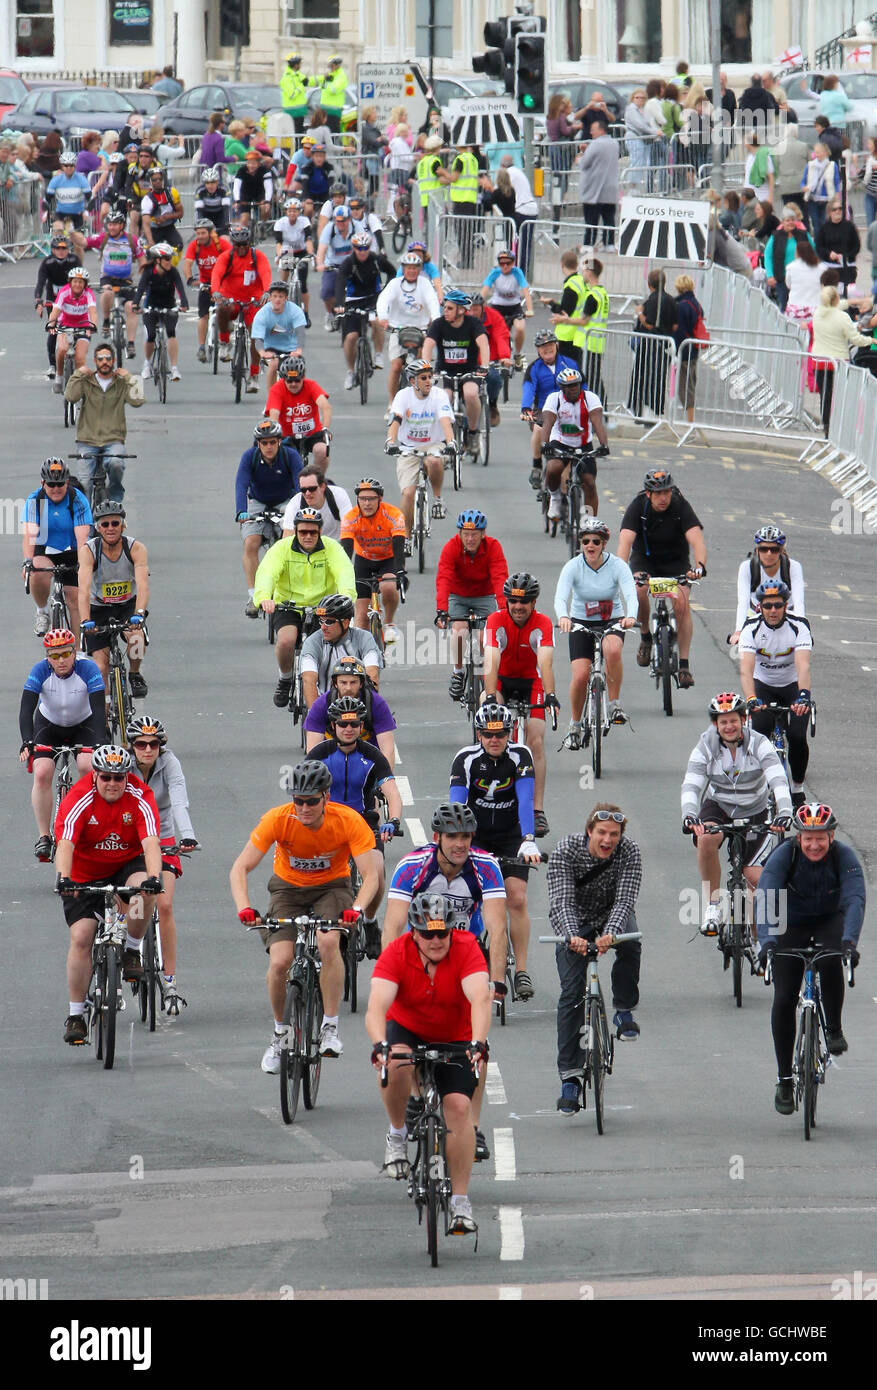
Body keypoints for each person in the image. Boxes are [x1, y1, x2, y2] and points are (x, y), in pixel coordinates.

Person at [231, 758, 377, 1070]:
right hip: (288, 889)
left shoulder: (347, 820)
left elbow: (371, 875)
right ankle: (280, 1034)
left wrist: (356, 909)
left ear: (326, 796)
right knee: (280, 961)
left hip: (332, 887)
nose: (304, 808)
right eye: (298, 801)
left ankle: (330, 1027)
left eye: (311, 801)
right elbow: (240, 868)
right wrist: (244, 907)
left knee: (327, 943)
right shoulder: (278, 819)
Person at [366, 892, 490, 1234]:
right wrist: (380, 1044)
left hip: (455, 1033)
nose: (436, 941)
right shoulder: (396, 952)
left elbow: (480, 996)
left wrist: (478, 1042)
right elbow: (376, 1006)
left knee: (459, 1110)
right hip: (408, 1026)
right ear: (414, 932)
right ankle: (397, 1133)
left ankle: (461, 1202)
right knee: (395, 1064)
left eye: (443, 933)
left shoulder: (466, 947)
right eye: (428, 934)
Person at [757, 803, 865, 1115]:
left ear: (831, 837)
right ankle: (785, 1079)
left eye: (821, 838)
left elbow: (855, 899)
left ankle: (832, 1028)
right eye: (808, 838)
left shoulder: (844, 857)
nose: (814, 845)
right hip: (790, 925)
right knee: (784, 997)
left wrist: (849, 942)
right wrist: (767, 943)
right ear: (799, 837)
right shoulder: (784, 856)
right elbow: (766, 895)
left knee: (832, 959)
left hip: (829, 921)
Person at [54, 745, 163, 1046]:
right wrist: (64, 878)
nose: (113, 783)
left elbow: (151, 841)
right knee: (81, 937)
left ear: (127, 777)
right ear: (95, 776)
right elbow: (65, 844)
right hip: (84, 870)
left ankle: (131, 948)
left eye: (119, 777)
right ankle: (76, 1015)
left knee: (142, 894)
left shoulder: (140, 795)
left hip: (127, 863)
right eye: (105, 778)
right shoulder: (79, 797)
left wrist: (154, 878)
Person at [548, 803, 643, 1114]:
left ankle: (623, 1009)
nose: (607, 840)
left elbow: (626, 899)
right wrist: (573, 936)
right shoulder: (566, 850)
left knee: (631, 944)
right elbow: (561, 900)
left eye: (614, 834)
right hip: (574, 920)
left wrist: (611, 934)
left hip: (610, 915)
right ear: (589, 831)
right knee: (572, 994)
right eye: (602, 833)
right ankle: (570, 1078)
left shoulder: (629, 852)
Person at [682, 691, 793, 943]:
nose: (729, 726)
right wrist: (689, 814)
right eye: (723, 722)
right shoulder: (706, 745)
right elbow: (692, 784)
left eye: (733, 720)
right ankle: (712, 905)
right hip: (718, 805)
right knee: (706, 839)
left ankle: (758, 942)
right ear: (715, 724)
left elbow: (777, 778)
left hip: (755, 810)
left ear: (743, 719)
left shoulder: (759, 743)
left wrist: (785, 811)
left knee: (756, 879)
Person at [448, 701, 541, 994]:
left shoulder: (521, 755)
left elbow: (526, 801)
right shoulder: (465, 759)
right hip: (475, 835)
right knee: (468, 896)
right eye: (488, 735)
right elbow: (456, 808)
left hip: (511, 834)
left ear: (510, 731)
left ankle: (522, 970)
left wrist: (528, 840)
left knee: (516, 897)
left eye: (500, 734)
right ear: (478, 735)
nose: (494, 740)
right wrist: (454, 845)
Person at [306, 696, 402, 951]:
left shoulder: (372, 756)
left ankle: (369, 922)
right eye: (342, 724)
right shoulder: (319, 754)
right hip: (327, 824)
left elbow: (391, 791)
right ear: (333, 726)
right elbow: (302, 790)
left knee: (378, 873)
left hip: (364, 824)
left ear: (362, 727)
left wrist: (393, 820)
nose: (348, 729)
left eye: (354, 724)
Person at [127, 714, 198, 1012]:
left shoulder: (170, 763)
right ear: (131, 746)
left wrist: (188, 835)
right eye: (141, 744)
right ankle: (129, 948)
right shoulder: (122, 767)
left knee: (165, 905)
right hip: (129, 842)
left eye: (154, 744)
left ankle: (170, 982)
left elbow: (179, 800)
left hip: (164, 838)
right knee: (135, 898)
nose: (147, 749)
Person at [482, 573, 559, 839]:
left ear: (534, 602)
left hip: (532, 682)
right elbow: (491, 659)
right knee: (487, 710)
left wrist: (550, 694)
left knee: (535, 740)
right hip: (501, 679)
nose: (518, 607)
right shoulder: (495, 620)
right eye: (513, 601)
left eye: (524, 601)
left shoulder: (543, 623)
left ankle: (537, 810)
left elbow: (546, 662)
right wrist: (491, 695)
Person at [253, 513, 356, 708]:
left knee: (328, 648)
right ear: (295, 531)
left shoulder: (331, 547)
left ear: (320, 532)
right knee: (286, 641)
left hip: (323, 607)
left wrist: (346, 598)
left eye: (313, 532)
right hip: (287, 605)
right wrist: (264, 597)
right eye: (303, 532)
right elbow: (267, 572)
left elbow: (344, 572)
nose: (307, 536)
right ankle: (285, 678)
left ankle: (325, 685)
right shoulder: (282, 548)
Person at [616, 469, 706, 686]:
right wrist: (621, 571)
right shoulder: (638, 506)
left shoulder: (680, 505)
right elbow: (625, 542)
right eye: (658, 493)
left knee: (681, 603)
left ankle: (684, 664)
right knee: (638, 591)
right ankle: (646, 636)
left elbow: (696, 539)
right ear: (648, 494)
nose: (663, 498)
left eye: (666, 492)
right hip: (645, 561)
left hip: (675, 562)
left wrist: (700, 566)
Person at [20, 628, 104, 861]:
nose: (61, 661)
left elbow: (98, 710)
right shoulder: (40, 670)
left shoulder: (88, 668)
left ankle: (91, 821)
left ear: (74, 652)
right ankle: (44, 836)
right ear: (47, 657)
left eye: (66, 654)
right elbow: (27, 709)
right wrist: (27, 741)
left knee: (88, 766)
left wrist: (99, 743)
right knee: (42, 772)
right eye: (54, 656)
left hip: (83, 724)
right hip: (49, 726)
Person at [554, 518, 637, 741]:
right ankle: (574, 724)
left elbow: (630, 593)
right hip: (580, 622)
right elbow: (561, 596)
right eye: (586, 541)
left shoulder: (618, 565)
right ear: (581, 543)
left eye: (596, 541)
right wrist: (563, 617)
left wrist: (631, 617)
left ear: (604, 544)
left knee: (612, 650)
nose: (590, 546)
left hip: (612, 621)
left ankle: (614, 704)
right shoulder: (573, 566)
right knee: (581, 676)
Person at [739, 580, 815, 808]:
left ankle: (798, 789)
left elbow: (803, 666)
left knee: (798, 736)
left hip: (792, 686)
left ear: (786, 605)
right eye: (768, 605)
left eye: (778, 605)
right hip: (763, 685)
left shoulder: (799, 625)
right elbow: (746, 670)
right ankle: (760, 783)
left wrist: (803, 695)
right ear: (759, 607)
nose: (773, 611)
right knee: (759, 732)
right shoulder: (750, 628)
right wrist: (751, 698)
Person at [78, 500, 149, 700]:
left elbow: (143, 584)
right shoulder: (88, 551)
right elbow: (83, 590)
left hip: (127, 606)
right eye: (105, 524)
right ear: (98, 528)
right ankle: (105, 717)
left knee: (136, 639)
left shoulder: (135, 548)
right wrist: (85, 621)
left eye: (115, 523)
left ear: (123, 525)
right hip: (98, 609)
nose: (110, 528)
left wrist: (140, 613)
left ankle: (134, 673)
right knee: (101, 666)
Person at [436, 510, 508, 701]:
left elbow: (500, 577)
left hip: (484, 596)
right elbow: (443, 578)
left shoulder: (493, 547)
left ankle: (488, 673)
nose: (470, 538)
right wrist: (442, 610)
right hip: (457, 596)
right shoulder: (451, 547)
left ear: (483, 534)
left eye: (474, 534)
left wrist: (503, 608)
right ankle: (458, 672)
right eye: (466, 534)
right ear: (459, 533)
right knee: (459, 630)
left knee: (486, 637)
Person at [236, 419, 302, 617]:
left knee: (288, 542)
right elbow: (241, 484)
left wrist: (299, 510)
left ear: (279, 442)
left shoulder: (291, 455)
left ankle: (288, 588)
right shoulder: (249, 457)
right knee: (250, 543)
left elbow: (300, 485)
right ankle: (254, 595)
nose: (269, 446)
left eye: (272, 442)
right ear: (258, 444)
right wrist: (241, 511)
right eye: (264, 443)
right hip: (258, 502)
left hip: (286, 501)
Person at [21, 457, 92, 642]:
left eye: (60, 484)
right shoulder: (35, 500)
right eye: (51, 484)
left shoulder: (77, 499)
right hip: (46, 548)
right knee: (36, 572)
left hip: (72, 551)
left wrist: (83, 564)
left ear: (67, 482)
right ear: (43, 483)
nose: (56, 488)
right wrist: (27, 562)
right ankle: (42, 611)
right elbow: (30, 535)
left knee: (74, 598)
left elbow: (82, 536)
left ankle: (78, 652)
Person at [64, 341, 144, 503]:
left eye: (108, 358)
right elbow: (70, 397)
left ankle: (114, 495)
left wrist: (129, 377)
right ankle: (84, 522)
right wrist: (78, 374)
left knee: (116, 464)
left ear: (113, 361)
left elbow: (138, 400)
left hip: (113, 440)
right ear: (95, 361)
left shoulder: (121, 383)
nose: (104, 362)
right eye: (100, 359)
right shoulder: (87, 381)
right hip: (87, 441)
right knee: (84, 484)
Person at [385, 359, 455, 536]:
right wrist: (390, 442)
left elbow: (445, 421)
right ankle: (406, 536)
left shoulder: (439, 395)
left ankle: (438, 499)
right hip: (409, 448)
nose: (428, 381)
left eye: (430, 377)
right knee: (408, 494)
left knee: (434, 461)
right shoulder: (403, 396)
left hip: (434, 444)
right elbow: (396, 420)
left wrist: (451, 441)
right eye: (423, 378)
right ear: (412, 381)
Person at [339, 478, 407, 644]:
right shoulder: (350, 518)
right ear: (358, 500)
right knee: (361, 618)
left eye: (371, 499)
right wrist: (343, 574)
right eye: (363, 499)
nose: (367, 503)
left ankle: (389, 624)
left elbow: (399, 545)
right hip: (364, 561)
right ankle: (364, 655)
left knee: (389, 587)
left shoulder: (393, 515)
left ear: (380, 499)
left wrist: (400, 571)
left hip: (387, 560)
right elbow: (346, 551)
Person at [423, 290, 490, 456]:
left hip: (469, 371)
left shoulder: (473, 323)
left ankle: (473, 433)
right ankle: (445, 439)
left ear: (461, 310)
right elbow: (428, 345)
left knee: (471, 394)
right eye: (445, 307)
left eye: (450, 308)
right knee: (444, 398)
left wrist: (485, 366)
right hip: (446, 371)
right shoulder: (438, 324)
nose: (445, 311)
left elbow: (484, 344)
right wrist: (426, 366)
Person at [540, 365, 609, 523]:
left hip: (583, 444)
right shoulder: (554, 399)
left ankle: (590, 522)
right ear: (562, 388)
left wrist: (604, 445)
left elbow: (597, 422)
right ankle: (556, 498)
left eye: (575, 385)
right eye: (568, 386)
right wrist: (545, 443)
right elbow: (548, 422)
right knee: (553, 468)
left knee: (589, 482)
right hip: (560, 442)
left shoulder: (590, 398)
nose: (573, 389)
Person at [210, 226, 272, 392]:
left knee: (256, 335)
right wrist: (215, 291)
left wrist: (266, 291)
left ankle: (254, 375)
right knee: (221, 308)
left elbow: (266, 273)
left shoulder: (257, 256)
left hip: (253, 301)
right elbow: (216, 274)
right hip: (231, 298)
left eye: (244, 244)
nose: (241, 248)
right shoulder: (226, 257)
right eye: (237, 245)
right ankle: (224, 341)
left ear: (249, 243)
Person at [376, 250, 441, 405]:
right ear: (403, 269)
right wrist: (383, 317)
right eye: (408, 267)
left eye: (415, 268)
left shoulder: (425, 284)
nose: (411, 271)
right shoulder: (395, 284)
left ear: (419, 269)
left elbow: (432, 302)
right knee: (396, 366)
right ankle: (392, 403)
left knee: (423, 367)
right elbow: (383, 300)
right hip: (398, 329)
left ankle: (425, 401)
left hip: (421, 329)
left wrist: (436, 320)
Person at [304, 656, 396, 765]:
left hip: (368, 761)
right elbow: (312, 753)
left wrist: (384, 778)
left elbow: (388, 752)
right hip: (332, 761)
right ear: (335, 683)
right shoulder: (321, 705)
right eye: (343, 682)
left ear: (361, 683)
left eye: (353, 682)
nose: (348, 688)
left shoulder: (376, 703)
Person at [810, 285, 874, 434]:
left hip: (819, 361)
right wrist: (871, 340)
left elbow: (840, 304)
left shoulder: (818, 313)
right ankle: (839, 428)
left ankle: (826, 425)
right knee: (839, 396)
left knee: (825, 396)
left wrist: (859, 300)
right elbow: (856, 339)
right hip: (838, 363)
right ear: (837, 299)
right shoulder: (842, 317)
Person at [299, 592, 381, 706]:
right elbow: (309, 679)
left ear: (346, 622)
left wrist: (370, 710)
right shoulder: (312, 642)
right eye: (321, 621)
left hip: (358, 704)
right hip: (324, 704)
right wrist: (316, 715)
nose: (323, 627)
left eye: (329, 622)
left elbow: (372, 673)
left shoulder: (364, 638)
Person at [520, 328, 579, 487]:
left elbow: (583, 387)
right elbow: (528, 388)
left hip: (569, 408)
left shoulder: (569, 363)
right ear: (538, 350)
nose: (547, 348)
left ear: (557, 345)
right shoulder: (534, 368)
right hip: (542, 410)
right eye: (542, 346)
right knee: (539, 430)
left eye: (550, 344)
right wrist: (526, 408)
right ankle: (537, 465)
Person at [335, 232, 394, 387]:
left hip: (373, 299)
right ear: (353, 248)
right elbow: (340, 282)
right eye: (359, 248)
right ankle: (350, 371)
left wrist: (386, 291)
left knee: (375, 321)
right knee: (351, 338)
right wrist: (339, 304)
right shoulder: (348, 263)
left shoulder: (376, 260)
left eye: (365, 248)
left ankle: (379, 354)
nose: (362, 251)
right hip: (353, 302)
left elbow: (392, 272)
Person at [547, 256, 609, 401]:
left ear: (589, 272)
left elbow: (583, 321)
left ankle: (597, 410)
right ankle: (599, 409)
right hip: (597, 343)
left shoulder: (593, 296)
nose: (582, 273)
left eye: (584, 270)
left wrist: (565, 320)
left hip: (589, 343)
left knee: (590, 379)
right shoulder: (602, 293)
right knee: (593, 378)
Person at [732, 524, 806, 643]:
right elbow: (743, 601)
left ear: (781, 551)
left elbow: (799, 602)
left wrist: (803, 630)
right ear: (757, 550)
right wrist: (739, 631)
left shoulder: (793, 567)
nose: (769, 553)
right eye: (763, 549)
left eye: (774, 549)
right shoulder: (747, 567)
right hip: (756, 614)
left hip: (785, 614)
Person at [85, 208, 141, 359]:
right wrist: (71, 234)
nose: (112, 227)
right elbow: (84, 242)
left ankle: (130, 344)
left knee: (131, 307)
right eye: (110, 224)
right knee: (107, 292)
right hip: (108, 277)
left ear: (122, 225)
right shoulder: (103, 238)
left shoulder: (131, 239)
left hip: (126, 279)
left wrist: (145, 276)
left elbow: (142, 259)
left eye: (115, 224)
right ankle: (106, 321)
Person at [135, 243, 188, 382]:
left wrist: (184, 303)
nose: (170, 262)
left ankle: (174, 368)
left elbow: (180, 288)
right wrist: (135, 303)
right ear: (158, 260)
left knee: (171, 332)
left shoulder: (173, 272)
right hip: (151, 307)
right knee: (151, 334)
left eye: (170, 258)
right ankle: (147, 364)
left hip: (169, 307)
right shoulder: (148, 272)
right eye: (167, 259)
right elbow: (141, 289)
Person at [627, 268, 676, 422]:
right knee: (659, 380)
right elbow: (675, 326)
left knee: (642, 379)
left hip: (649, 346)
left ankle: (639, 413)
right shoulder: (671, 300)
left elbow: (648, 324)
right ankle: (655, 413)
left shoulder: (652, 301)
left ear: (650, 284)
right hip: (664, 346)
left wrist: (640, 313)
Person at [266, 356, 331, 464]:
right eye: (289, 381)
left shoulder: (311, 385)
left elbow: (325, 407)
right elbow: (274, 414)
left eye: (297, 380)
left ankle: (317, 479)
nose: (293, 384)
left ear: (303, 377)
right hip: (287, 434)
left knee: (322, 451)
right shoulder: (277, 389)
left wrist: (325, 428)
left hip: (312, 433)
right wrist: (275, 432)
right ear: (283, 379)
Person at [182, 219, 231, 362]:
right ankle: (202, 347)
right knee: (203, 316)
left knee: (227, 311)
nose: (200, 236)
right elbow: (187, 264)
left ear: (210, 233)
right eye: (198, 233)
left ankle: (225, 340)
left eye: (203, 233)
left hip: (222, 282)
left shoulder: (222, 244)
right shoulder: (194, 246)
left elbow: (233, 261)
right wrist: (190, 279)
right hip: (205, 283)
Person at [34, 234, 80, 381]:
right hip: (53, 300)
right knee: (53, 330)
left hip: (72, 299)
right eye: (57, 248)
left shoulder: (74, 260)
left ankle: (78, 360)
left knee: (78, 328)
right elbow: (41, 282)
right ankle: (53, 365)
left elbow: (83, 280)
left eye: (64, 248)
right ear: (53, 250)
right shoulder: (47, 263)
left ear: (68, 249)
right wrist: (38, 301)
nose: (61, 251)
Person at [250, 278, 307, 390]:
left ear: (286, 298)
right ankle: (272, 400)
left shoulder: (295, 311)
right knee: (273, 365)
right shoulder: (262, 314)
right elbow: (258, 340)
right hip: (270, 349)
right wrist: (262, 353)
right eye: (275, 296)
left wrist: (298, 350)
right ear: (270, 297)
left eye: (281, 297)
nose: (277, 300)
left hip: (291, 349)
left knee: (297, 370)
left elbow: (300, 332)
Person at [481, 247, 532, 369]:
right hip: (497, 307)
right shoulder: (495, 273)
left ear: (513, 263)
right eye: (501, 263)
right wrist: (478, 305)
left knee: (520, 328)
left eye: (508, 263)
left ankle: (518, 354)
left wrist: (530, 309)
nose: (504, 266)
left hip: (514, 307)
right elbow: (484, 291)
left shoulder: (517, 272)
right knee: (489, 331)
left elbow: (526, 291)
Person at [466, 292, 512, 429]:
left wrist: (504, 356)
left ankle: (492, 404)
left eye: (476, 309)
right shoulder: (462, 317)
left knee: (494, 378)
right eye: (470, 309)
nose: (473, 312)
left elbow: (501, 336)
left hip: (488, 359)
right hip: (468, 360)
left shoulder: (494, 317)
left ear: (483, 307)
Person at [47, 265, 97, 383]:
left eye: (80, 282)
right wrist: (51, 324)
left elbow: (93, 311)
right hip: (65, 325)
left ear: (85, 284)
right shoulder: (64, 292)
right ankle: (59, 376)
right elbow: (55, 312)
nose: (77, 285)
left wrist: (93, 325)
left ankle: (79, 384)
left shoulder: (88, 294)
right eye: (75, 281)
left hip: (83, 326)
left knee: (80, 358)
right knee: (62, 350)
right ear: (70, 282)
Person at [437, 139, 479, 268]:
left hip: (461, 200)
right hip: (471, 199)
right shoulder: (472, 159)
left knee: (461, 233)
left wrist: (442, 172)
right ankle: (469, 260)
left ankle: (465, 261)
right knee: (468, 232)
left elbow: (454, 178)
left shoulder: (460, 160)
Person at [578, 119, 619, 247]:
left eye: (593, 129)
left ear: (601, 130)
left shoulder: (596, 144)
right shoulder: (615, 143)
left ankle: (588, 245)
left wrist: (580, 156)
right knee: (609, 219)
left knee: (591, 220)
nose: (591, 132)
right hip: (610, 189)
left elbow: (584, 163)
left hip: (594, 189)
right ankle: (609, 244)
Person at [672, 273, 707, 423]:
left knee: (684, 387)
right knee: (691, 383)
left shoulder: (680, 306)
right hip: (694, 349)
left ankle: (689, 421)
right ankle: (690, 419)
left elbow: (678, 330)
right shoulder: (696, 304)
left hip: (683, 350)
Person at [764, 207, 813, 311]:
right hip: (782, 278)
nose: (790, 223)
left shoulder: (803, 235)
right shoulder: (775, 237)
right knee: (785, 305)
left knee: (802, 305)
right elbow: (767, 256)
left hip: (801, 276)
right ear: (782, 222)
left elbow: (814, 250)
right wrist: (770, 275)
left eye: (792, 220)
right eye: (787, 220)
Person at [282, 466, 350, 541]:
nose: (307, 493)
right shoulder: (295, 503)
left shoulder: (339, 495)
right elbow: (287, 538)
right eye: (303, 490)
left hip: (336, 545)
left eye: (312, 489)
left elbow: (349, 529)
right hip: (309, 546)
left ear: (323, 487)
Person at [273, 196, 314, 321]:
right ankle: (282, 304)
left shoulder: (304, 221)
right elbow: (279, 243)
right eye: (290, 211)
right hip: (287, 252)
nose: (292, 213)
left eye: (295, 210)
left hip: (301, 252)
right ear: (286, 212)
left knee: (303, 284)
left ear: (299, 212)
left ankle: (306, 313)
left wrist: (311, 254)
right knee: (284, 282)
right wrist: (279, 255)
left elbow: (308, 239)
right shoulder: (280, 223)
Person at [315, 203, 354, 329]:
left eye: (343, 221)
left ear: (349, 219)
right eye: (337, 221)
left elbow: (364, 243)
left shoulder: (356, 227)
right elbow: (322, 248)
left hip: (351, 265)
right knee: (326, 292)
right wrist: (320, 264)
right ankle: (330, 314)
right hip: (333, 265)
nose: (340, 224)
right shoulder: (330, 229)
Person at [816, 196, 861, 296]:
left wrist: (846, 256)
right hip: (831, 268)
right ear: (829, 212)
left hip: (848, 267)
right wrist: (829, 254)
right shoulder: (824, 228)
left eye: (840, 208)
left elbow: (856, 246)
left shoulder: (849, 226)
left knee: (850, 296)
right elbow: (819, 247)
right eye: (834, 209)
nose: (838, 211)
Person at [46, 153, 90, 249]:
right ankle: (57, 256)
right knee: (58, 228)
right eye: (66, 165)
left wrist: (86, 211)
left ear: (75, 166)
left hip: (77, 214)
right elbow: (47, 199)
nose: (69, 168)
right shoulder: (56, 180)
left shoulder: (81, 180)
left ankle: (79, 263)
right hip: (61, 213)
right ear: (62, 166)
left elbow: (89, 198)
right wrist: (45, 213)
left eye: (71, 165)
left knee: (78, 246)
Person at [139, 167, 184, 255]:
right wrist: (150, 241)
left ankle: (170, 266)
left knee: (179, 247)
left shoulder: (172, 193)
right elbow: (146, 223)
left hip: (169, 228)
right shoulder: (147, 199)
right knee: (148, 253)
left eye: (160, 179)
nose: (158, 181)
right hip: (153, 229)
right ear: (150, 182)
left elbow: (180, 213)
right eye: (154, 180)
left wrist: (167, 217)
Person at [801, 144, 841, 240]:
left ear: (825, 153)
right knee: (815, 223)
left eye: (819, 152)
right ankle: (818, 245)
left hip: (827, 199)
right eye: (816, 152)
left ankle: (825, 243)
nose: (817, 154)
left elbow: (836, 182)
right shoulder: (810, 165)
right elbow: (803, 181)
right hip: (812, 199)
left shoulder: (832, 165)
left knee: (824, 222)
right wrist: (804, 187)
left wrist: (837, 196)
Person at [624, 90, 660, 192]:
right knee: (636, 162)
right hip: (634, 136)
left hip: (643, 139)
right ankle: (632, 188)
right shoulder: (631, 109)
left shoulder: (643, 110)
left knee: (643, 163)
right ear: (632, 98)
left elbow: (649, 123)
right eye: (637, 97)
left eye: (643, 98)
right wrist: (654, 132)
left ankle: (640, 187)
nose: (640, 100)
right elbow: (640, 125)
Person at [232, 148, 273, 228]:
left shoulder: (265, 171)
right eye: (249, 163)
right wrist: (237, 200)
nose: (251, 166)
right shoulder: (241, 171)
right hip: (245, 194)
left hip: (260, 193)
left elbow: (268, 187)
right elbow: (236, 186)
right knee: (244, 219)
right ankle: (245, 236)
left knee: (265, 209)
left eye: (253, 163)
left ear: (259, 164)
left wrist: (267, 201)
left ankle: (263, 226)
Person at [308, 54, 348, 133]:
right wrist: (307, 80)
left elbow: (334, 89)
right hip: (325, 111)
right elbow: (318, 79)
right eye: (329, 66)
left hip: (333, 112)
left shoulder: (341, 76)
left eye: (331, 65)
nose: (329, 67)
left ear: (337, 65)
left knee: (333, 133)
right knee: (324, 133)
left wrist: (326, 82)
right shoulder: (331, 75)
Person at [194, 165, 232, 233]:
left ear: (217, 182)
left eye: (213, 182)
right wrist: (199, 226)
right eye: (207, 183)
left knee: (225, 239)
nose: (210, 186)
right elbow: (199, 211)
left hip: (220, 215)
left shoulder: (223, 189)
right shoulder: (200, 191)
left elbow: (226, 209)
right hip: (205, 215)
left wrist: (227, 224)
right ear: (204, 183)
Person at [280, 52, 310, 133]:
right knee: (294, 135)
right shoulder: (287, 78)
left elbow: (308, 81)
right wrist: (301, 86)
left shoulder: (297, 75)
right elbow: (292, 95)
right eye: (300, 63)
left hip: (299, 112)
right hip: (292, 112)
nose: (301, 65)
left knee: (299, 134)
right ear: (296, 65)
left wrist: (324, 78)